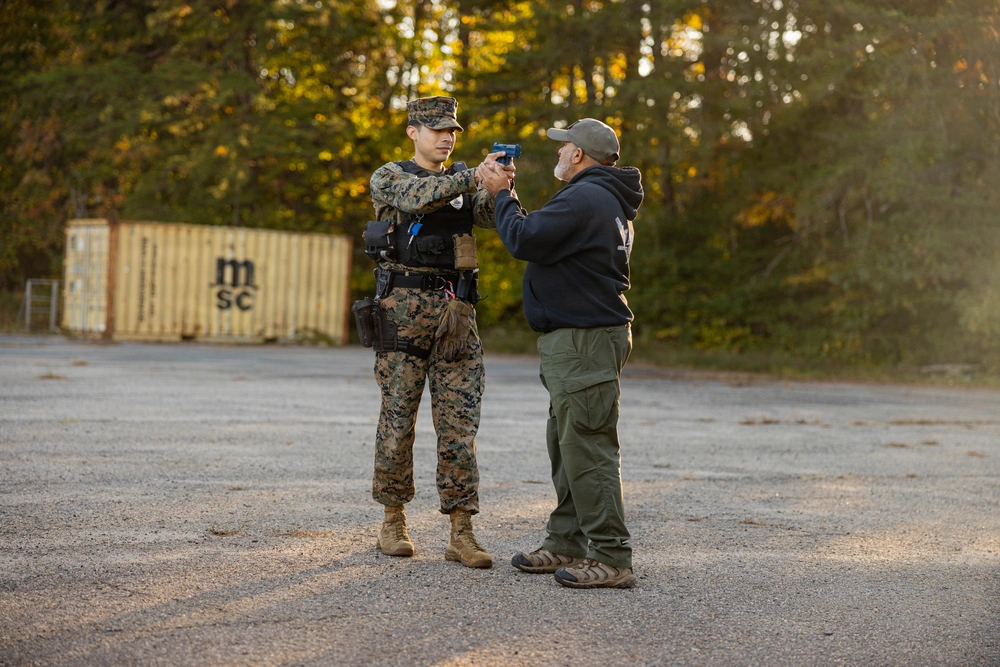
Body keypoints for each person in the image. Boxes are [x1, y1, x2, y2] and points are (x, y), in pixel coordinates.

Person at [479, 118, 643, 588]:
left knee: (587, 447)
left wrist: (501, 195)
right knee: (567, 444)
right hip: (579, 340)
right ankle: (567, 541)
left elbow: (524, 240)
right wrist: (509, 197)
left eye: (563, 147)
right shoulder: (600, 198)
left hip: (583, 340)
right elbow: (544, 237)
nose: (557, 153)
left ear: (578, 155)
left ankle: (611, 556)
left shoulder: (586, 196)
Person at [365, 96, 513, 569]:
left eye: (452, 130)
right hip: (402, 315)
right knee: (398, 422)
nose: (447, 137)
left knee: (459, 429)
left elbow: (501, 222)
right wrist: (472, 176)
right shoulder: (391, 175)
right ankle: (393, 520)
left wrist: (502, 187)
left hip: (456, 316)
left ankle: (461, 531)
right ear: (413, 132)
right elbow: (415, 199)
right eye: (437, 130)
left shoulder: (467, 183)